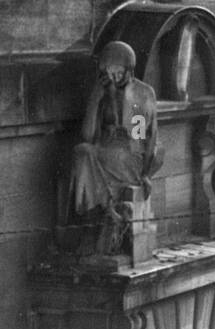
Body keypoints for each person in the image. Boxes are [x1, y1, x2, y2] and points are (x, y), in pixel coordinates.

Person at [69, 41, 161, 250]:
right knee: (81, 152)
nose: (114, 76)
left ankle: (104, 212)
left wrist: (145, 173)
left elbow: (140, 138)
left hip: (129, 155)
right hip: (104, 149)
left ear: (129, 70)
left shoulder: (142, 93)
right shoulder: (100, 91)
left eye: (118, 72)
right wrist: (97, 99)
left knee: (116, 155)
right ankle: (107, 208)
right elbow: (87, 135)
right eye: (110, 71)